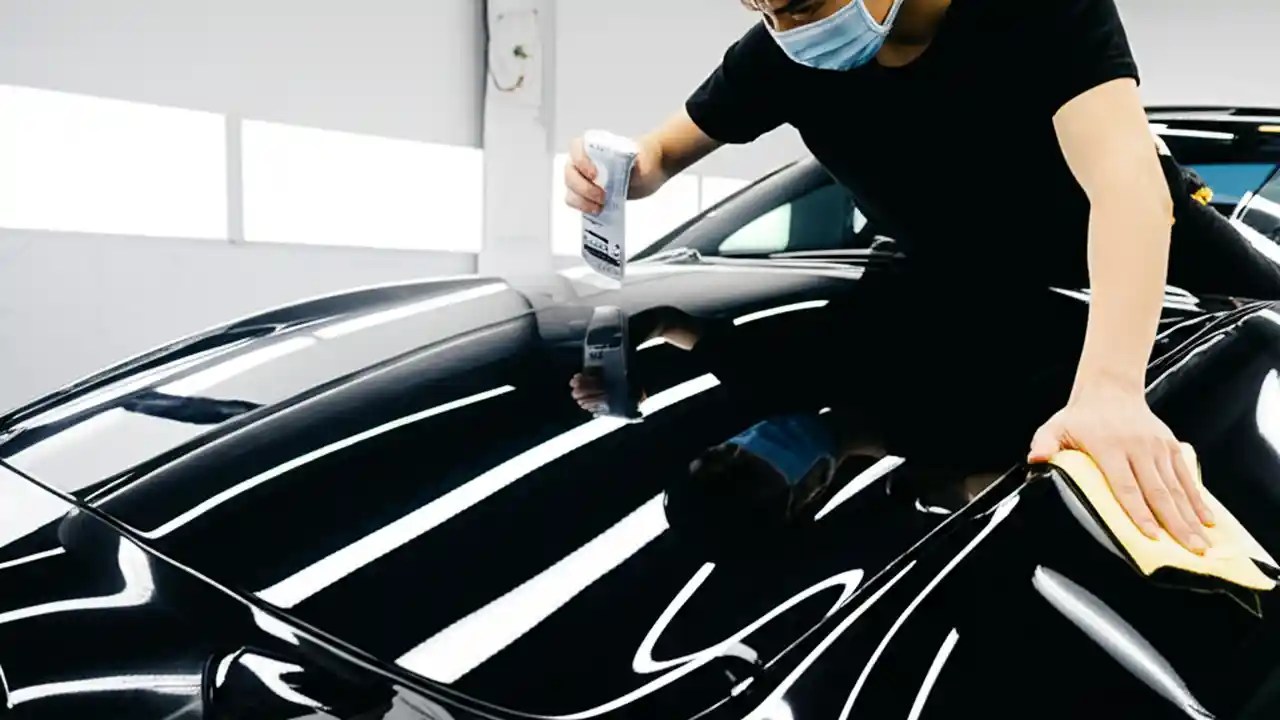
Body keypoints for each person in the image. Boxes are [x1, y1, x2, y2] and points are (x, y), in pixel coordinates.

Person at [564, 0, 1280, 555]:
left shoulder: (1033, 10)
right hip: (971, 297)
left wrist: (1111, 392)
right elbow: (659, 152)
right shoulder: (780, 55)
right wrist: (619, 171)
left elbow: (1126, 187)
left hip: (1160, 275)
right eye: (764, 10)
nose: (787, 30)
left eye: (805, 7)